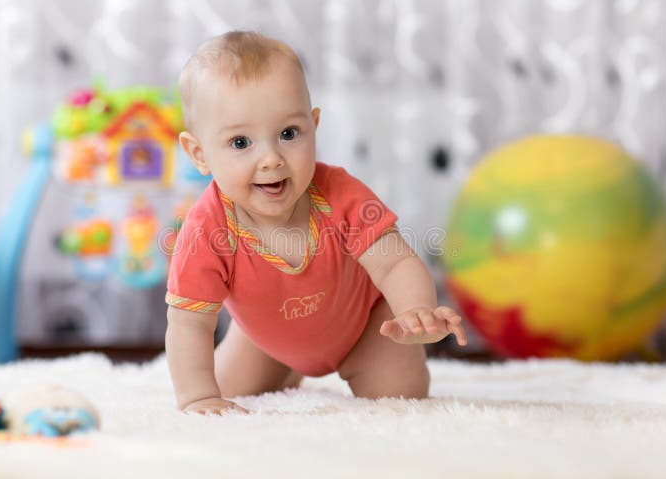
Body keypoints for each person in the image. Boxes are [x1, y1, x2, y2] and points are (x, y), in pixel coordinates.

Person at [166, 31, 467, 415]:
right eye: (241, 143)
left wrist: (415, 309)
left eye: (288, 134)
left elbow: (394, 262)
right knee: (223, 388)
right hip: (266, 340)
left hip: (366, 329)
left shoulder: (341, 195)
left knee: (402, 395)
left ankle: (373, 357)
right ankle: (283, 367)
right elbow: (189, 323)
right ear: (199, 153)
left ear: (314, 125)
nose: (271, 159)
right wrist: (197, 397)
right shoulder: (207, 229)